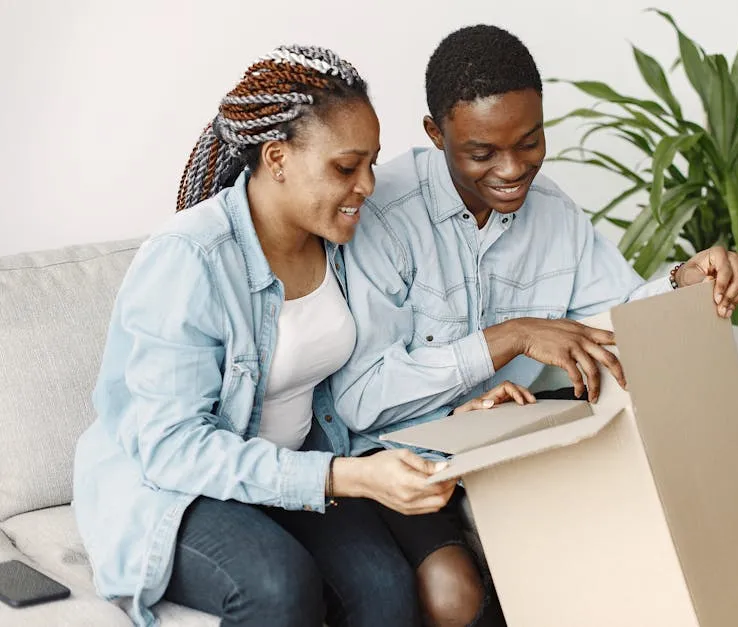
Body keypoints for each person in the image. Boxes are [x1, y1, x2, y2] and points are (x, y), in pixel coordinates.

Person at [72, 44, 518, 627]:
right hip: (179, 484)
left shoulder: (340, 244)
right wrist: (340, 476)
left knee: (386, 589)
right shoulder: (190, 259)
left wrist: (460, 413)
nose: (367, 185)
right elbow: (171, 446)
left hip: (295, 462)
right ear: (276, 157)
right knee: (279, 586)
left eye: (372, 164)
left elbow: (369, 381)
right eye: (345, 167)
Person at [330, 23, 738, 615]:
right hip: (396, 454)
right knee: (454, 593)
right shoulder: (384, 216)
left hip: (508, 443)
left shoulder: (554, 214)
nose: (511, 170)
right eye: (481, 153)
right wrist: (510, 338)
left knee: (629, 546)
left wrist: (687, 281)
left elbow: (615, 324)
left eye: (529, 142)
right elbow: (359, 400)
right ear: (436, 135)